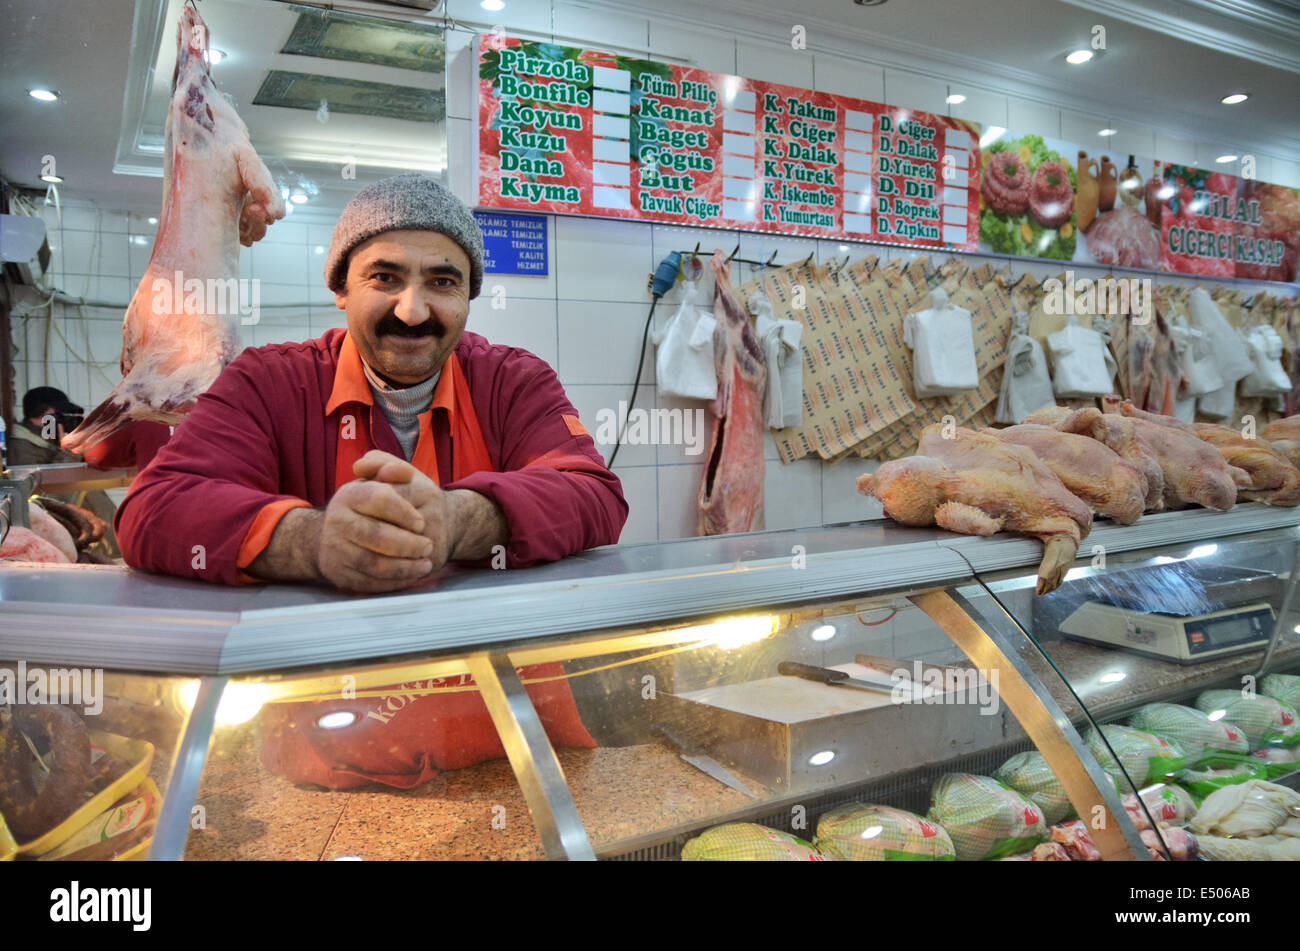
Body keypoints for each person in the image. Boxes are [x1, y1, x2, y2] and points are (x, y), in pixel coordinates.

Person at [116, 173, 628, 590]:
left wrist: (457, 520)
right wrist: (310, 541)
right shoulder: (267, 382)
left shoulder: (513, 381)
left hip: (493, 683)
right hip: (320, 687)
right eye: (384, 278)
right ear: (341, 289)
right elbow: (153, 509)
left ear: (470, 296)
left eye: (443, 282)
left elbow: (593, 495)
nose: (412, 311)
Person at [7, 386, 121, 558]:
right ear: (44, 415)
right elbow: (46, 496)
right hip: (66, 536)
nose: (62, 421)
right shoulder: (21, 445)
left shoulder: (47, 439)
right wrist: (69, 451)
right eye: (59, 416)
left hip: (96, 534)